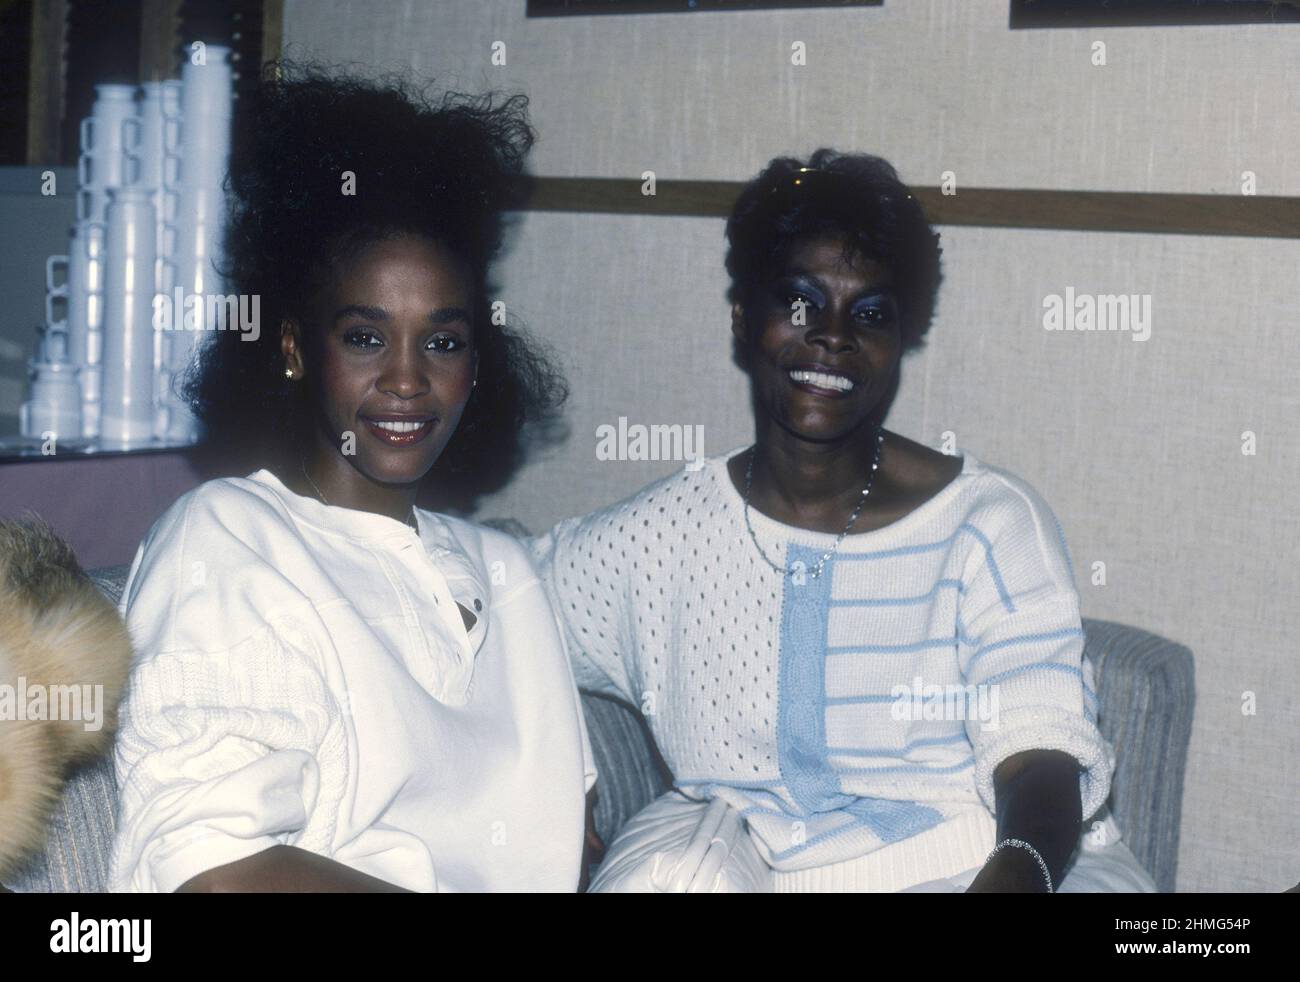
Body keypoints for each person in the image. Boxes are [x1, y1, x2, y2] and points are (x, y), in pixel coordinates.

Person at [531, 150, 1157, 893]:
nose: (832, 334)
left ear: (900, 340)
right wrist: (547, 787)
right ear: (743, 317)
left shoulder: (986, 523)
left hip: (992, 856)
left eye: (870, 314)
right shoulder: (661, 534)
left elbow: (1040, 748)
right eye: (798, 303)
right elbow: (492, 606)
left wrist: (1013, 873)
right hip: (770, 863)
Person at [108, 64, 595, 893]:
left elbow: (567, 847)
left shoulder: (505, 572)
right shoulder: (230, 537)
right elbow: (210, 870)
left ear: (478, 364)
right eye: (367, 338)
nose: (407, 380)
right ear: (296, 349)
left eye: (441, 342)